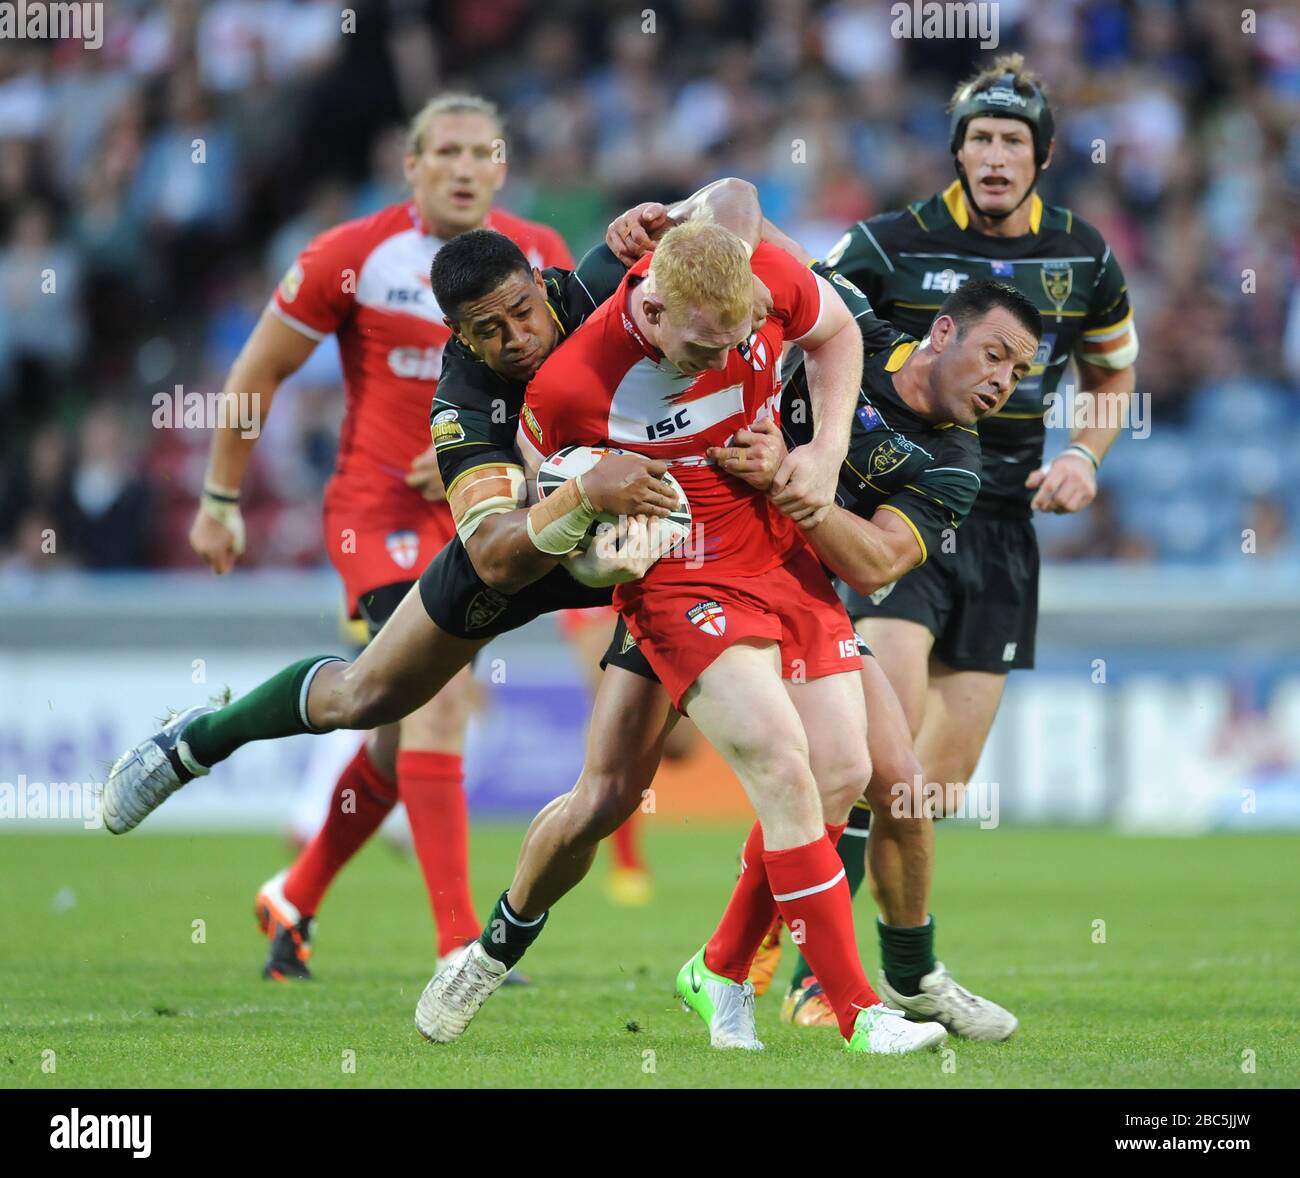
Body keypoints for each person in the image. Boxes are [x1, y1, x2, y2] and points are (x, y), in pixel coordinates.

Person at [418, 218, 950, 1056]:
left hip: (774, 553)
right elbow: (524, 541)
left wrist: (819, 455)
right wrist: (600, 553)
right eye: (701, 350)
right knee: (746, 770)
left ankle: (720, 968)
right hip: (672, 578)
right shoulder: (563, 389)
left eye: (734, 343)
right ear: (657, 309)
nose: (720, 362)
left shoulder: (753, 272)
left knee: (837, 769)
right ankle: (857, 1013)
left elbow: (834, 327)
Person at [753, 55, 1139, 1026]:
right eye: (978, 137)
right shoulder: (889, 241)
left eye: (1012, 139)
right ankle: (812, 973)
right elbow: (809, 326)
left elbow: (1110, 372)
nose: (994, 154)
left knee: (925, 795)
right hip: (897, 514)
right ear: (957, 151)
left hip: (1002, 527)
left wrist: (1087, 456)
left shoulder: (1085, 257)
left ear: (1042, 154)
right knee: (880, 762)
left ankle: (895, 969)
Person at [182, 92, 574, 980]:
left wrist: (487, 458)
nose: (466, 168)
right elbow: (260, 370)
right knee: (430, 704)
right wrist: (219, 496)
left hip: (489, 519)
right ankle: (458, 945)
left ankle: (297, 894)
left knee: (400, 726)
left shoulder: (538, 258)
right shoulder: (352, 255)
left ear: (502, 166)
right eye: (446, 153)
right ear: (412, 164)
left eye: (483, 152)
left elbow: (565, 392)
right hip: (379, 513)